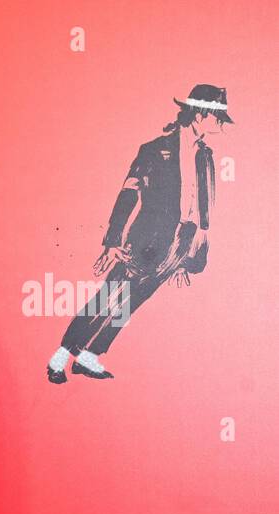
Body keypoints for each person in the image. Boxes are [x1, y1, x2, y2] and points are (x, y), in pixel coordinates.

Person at [46, 84, 231, 383]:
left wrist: (191, 257)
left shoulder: (206, 156)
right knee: (107, 298)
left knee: (132, 302)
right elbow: (128, 194)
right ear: (200, 114)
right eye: (218, 116)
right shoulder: (155, 149)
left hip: (179, 246)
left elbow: (204, 209)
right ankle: (60, 357)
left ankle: (89, 356)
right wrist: (113, 241)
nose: (222, 123)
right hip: (144, 241)